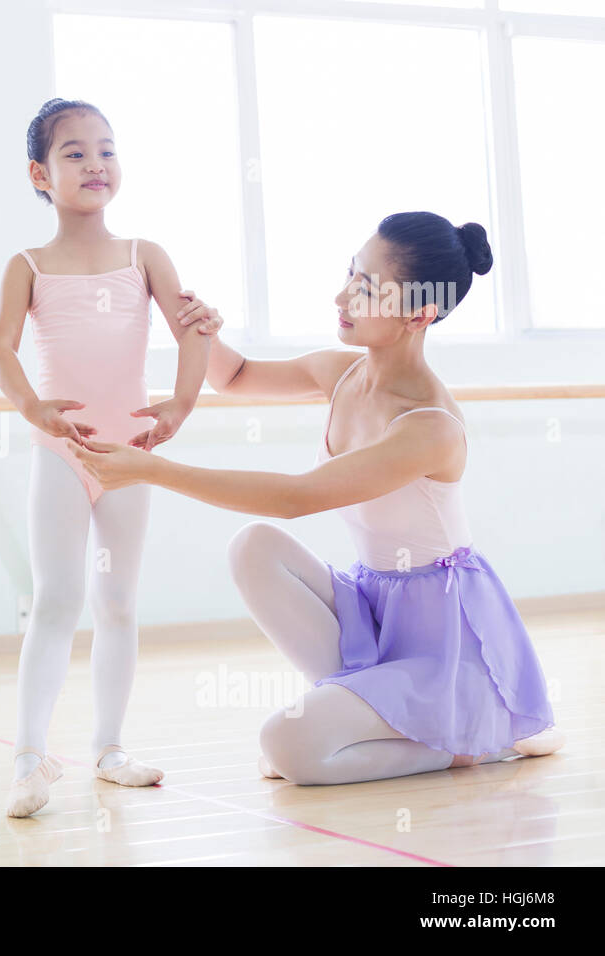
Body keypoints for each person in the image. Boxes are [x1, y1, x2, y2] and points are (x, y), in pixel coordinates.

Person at [66, 211, 564, 785]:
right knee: (253, 547)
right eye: (351, 274)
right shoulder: (343, 374)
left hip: (444, 650)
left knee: (285, 743)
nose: (343, 296)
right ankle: (362, 713)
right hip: (378, 610)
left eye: (367, 288)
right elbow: (236, 376)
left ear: (420, 313)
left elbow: (297, 497)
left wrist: (153, 470)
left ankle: (468, 743)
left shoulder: (429, 428)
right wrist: (201, 331)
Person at [0, 98, 222, 815]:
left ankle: (109, 747)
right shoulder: (27, 265)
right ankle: (30, 755)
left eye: (107, 149)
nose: (95, 164)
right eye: (75, 153)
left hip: (130, 453)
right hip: (61, 453)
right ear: (39, 173)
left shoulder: (143, 255)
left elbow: (194, 332)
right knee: (56, 599)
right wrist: (34, 410)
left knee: (116, 600)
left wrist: (180, 404)